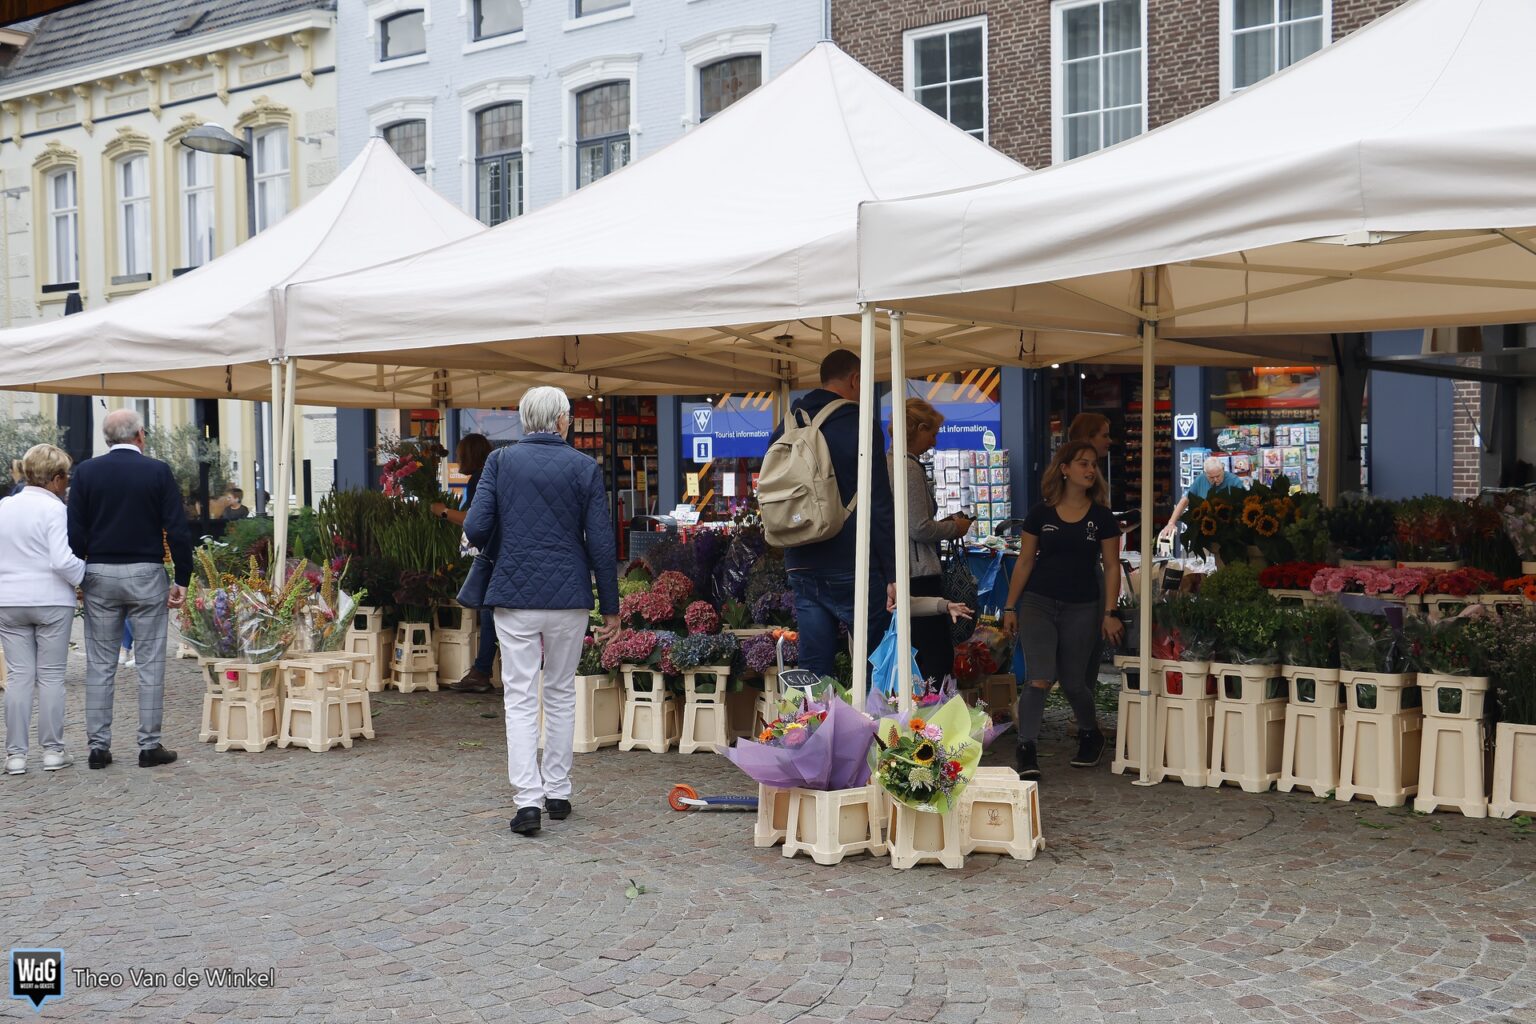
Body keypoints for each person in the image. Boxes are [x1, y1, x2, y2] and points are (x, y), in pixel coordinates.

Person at [464, 388, 619, 838]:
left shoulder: (499, 462)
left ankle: (528, 801)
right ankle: (558, 792)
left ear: (524, 420)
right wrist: (611, 608)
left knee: (519, 697)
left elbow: (475, 527)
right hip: (569, 595)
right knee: (561, 692)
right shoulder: (585, 467)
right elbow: (601, 542)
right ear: (563, 421)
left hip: (514, 594)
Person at [67, 409, 194, 770]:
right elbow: (177, 529)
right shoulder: (157, 471)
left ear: (107, 439)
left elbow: (75, 530)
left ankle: (98, 746)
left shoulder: (86, 472)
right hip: (145, 572)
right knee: (150, 662)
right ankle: (149, 745)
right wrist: (182, 577)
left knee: (100, 664)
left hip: (99, 571)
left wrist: (80, 572)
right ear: (140, 435)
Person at [770, 349, 897, 680]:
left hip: (800, 558)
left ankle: (813, 715)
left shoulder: (786, 425)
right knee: (876, 663)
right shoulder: (858, 424)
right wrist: (893, 572)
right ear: (855, 379)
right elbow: (879, 503)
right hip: (851, 561)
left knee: (814, 668)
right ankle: (873, 715)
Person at [1001, 441, 1123, 779]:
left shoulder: (1102, 517)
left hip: (1083, 606)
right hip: (1038, 602)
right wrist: (1009, 606)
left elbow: (1112, 566)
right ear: (1064, 469)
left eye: (1093, 464)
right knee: (1039, 677)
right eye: (1082, 463)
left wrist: (1110, 612)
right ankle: (1026, 748)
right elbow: (1025, 561)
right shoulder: (1040, 513)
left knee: (1073, 683)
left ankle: (1090, 732)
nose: (1090, 469)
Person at [0, 444, 87, 775]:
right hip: (50, 598)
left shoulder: (5, 506)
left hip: (9, 599)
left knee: (19, 677)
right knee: (51, 676)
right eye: (66, 476)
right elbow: (62, 560)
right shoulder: (55, 509)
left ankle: (16, 755)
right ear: (56, 478)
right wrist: (84, 576)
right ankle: (52, 750)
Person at [888, 398, 973, 682]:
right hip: (918, 572)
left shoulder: (888, 464)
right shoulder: (908, 467)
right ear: (919, 428)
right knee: (936, 658)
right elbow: (919, 528)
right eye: (933, 434)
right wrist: (955, 528)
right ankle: (933, 707)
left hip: (902, 569)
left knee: (919, 655)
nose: (934, 442)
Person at [432, 433, 497, 693]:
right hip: (498, 551)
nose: (457, 460)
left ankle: (481, 671)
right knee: (491, 610)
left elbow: (473, 519)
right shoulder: (490, 476)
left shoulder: (480, 479)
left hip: (490, 553)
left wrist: (443, 512)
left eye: (460, 455)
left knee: (489, 609)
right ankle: (482, 669)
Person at [1159, 456, 1247, 541]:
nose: (1215, 480)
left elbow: (1243, 506)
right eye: (1211, 477)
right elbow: (1185, 500)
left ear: (1223, 470)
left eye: (1218, 476)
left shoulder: (1234, 481)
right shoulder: (1201, 479)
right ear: (1205, 474)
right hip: (1205, 530)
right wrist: (1171, 523)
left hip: (1228, 531)